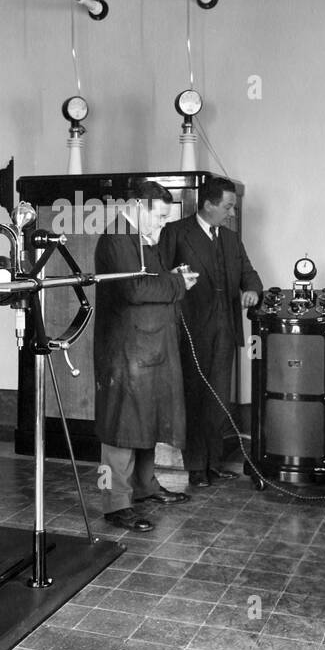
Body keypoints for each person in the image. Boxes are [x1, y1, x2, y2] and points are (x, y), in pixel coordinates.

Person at [94, 180, 198, 532]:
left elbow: (152, 281)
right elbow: (134, 289)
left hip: (150, 347)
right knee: (121, 426)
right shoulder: (117, 238)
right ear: (139, 206)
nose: (162, 224)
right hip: (126, 349)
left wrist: (172, 278)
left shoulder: (140, 237)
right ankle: (115, 503)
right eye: (159, 216)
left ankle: (144, 487)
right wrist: (178, 284)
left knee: (146, 419)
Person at [158, 176, 263, 489]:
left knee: (218, 399)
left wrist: (253, 292)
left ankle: (213, 464)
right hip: (190, 329)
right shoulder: (175, 233)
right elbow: (160, 277)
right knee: (194, 398)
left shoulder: (231, 239)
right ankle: (195, 468)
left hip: (226, 327)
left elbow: (250, 273)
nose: (231, 212)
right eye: (228, 206)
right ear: (208, 204)